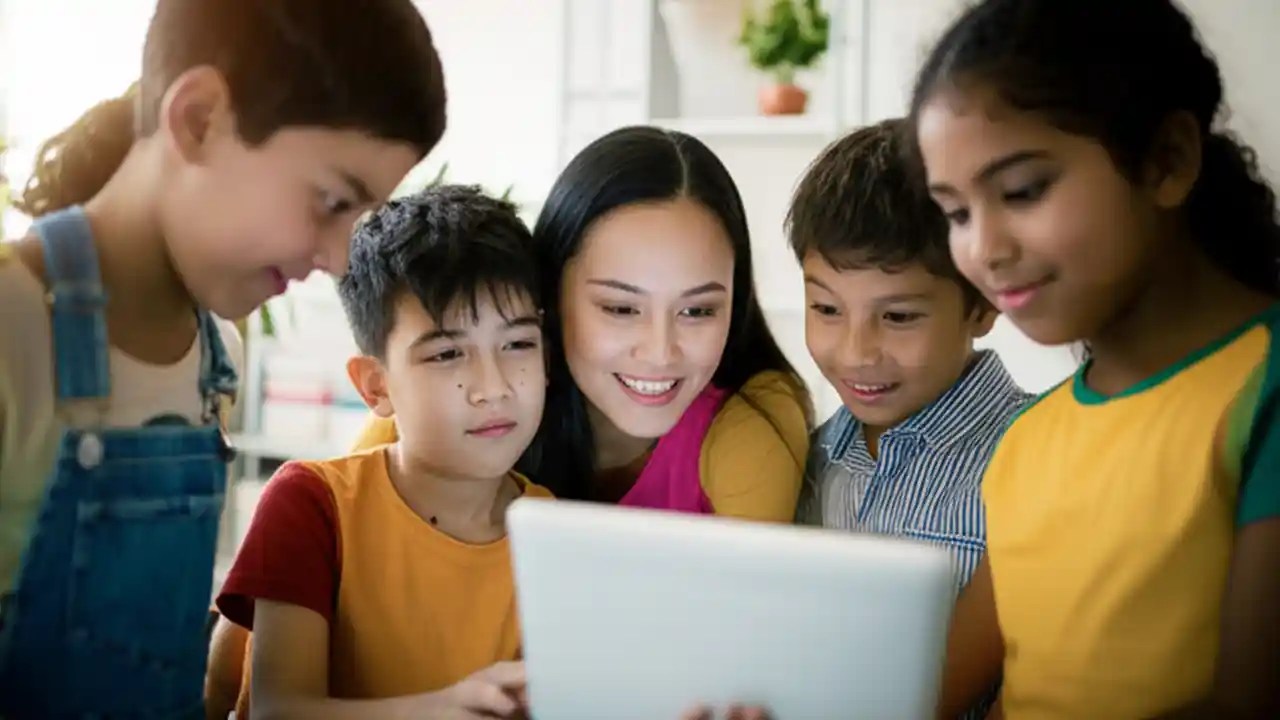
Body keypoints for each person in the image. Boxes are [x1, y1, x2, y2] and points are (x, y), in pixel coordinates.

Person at [0, 0, 445, 715]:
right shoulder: (11, 327)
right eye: (331, 201)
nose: (336, 258)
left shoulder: (218, 360)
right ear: (198, 118)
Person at [910, 0, 1280, 716]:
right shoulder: (1029, 441)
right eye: (955, 213)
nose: (984, 249)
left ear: (1167, 161)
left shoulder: (1261, 393)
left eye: (1022, 191)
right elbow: (918, 696)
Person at [356, 126, 811, 520]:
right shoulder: (474, 396)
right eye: (620, 308)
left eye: (697, 311)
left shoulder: (753, 419)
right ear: (551, 295)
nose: (659, 352)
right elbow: (345, 526)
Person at [216, 186, 550, 719]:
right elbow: (278, 710)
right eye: (446, 354)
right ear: (376, 386)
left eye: (518, 344)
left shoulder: (555, 534)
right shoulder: (313, 504)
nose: (495, 387)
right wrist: (445, 710)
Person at [791, 118, 1029, 588]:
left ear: (983, 304)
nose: (856, 352)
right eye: (826, 308)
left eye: (898, 317)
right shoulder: (807, 460)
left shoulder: (1034, 458)